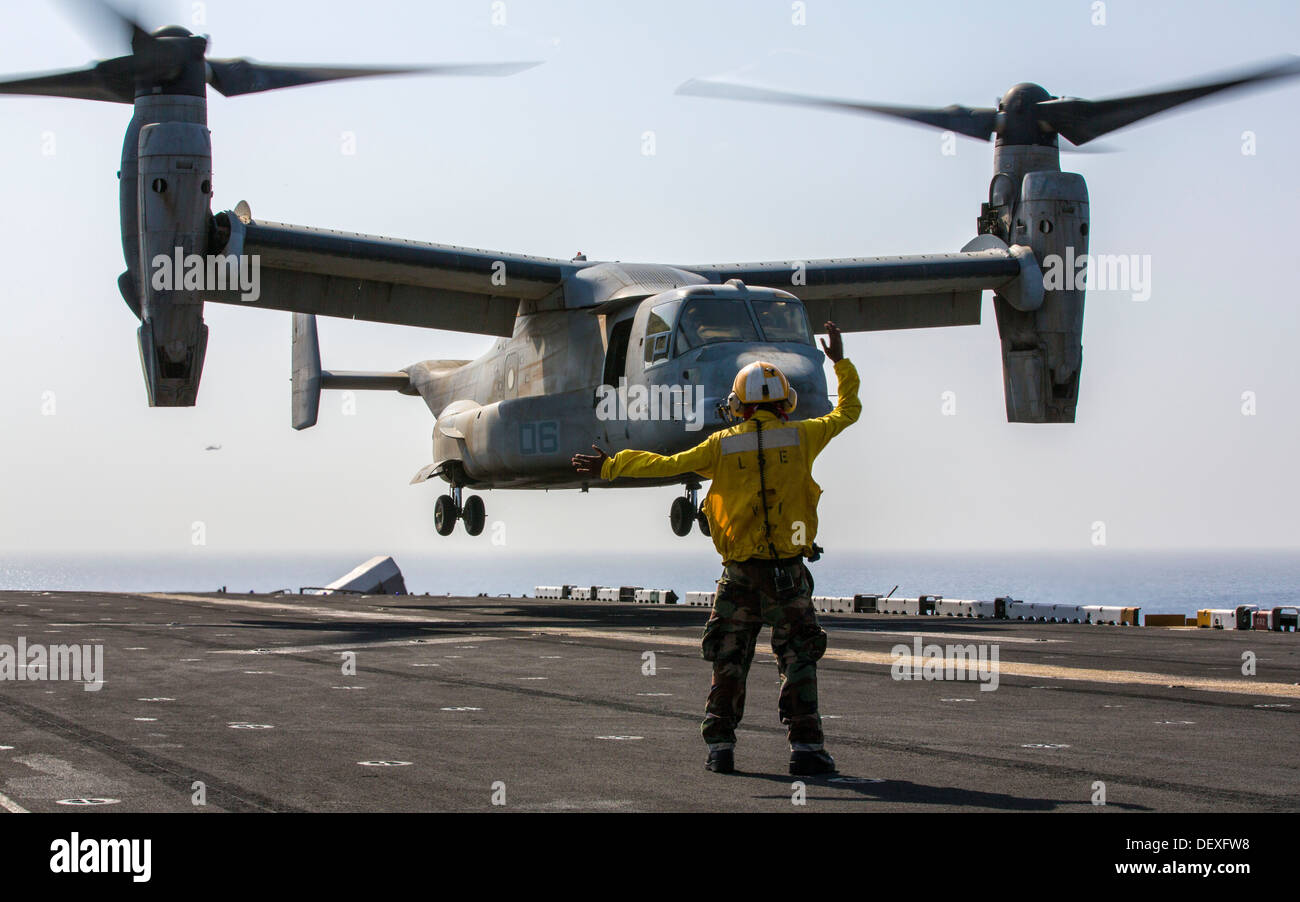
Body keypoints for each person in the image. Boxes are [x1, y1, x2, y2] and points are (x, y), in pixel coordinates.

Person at [572, 321, 860, 775]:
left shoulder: (720, 446)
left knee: (729, 660)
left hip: (740, 575)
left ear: (739, 405)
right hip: (788, 573)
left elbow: (664, 464)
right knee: (798, 660)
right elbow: (849, 411)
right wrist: (840, 361)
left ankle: (720, 747)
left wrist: (610, 466)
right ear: (786, 402)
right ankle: (806, 751)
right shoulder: (805, 436)